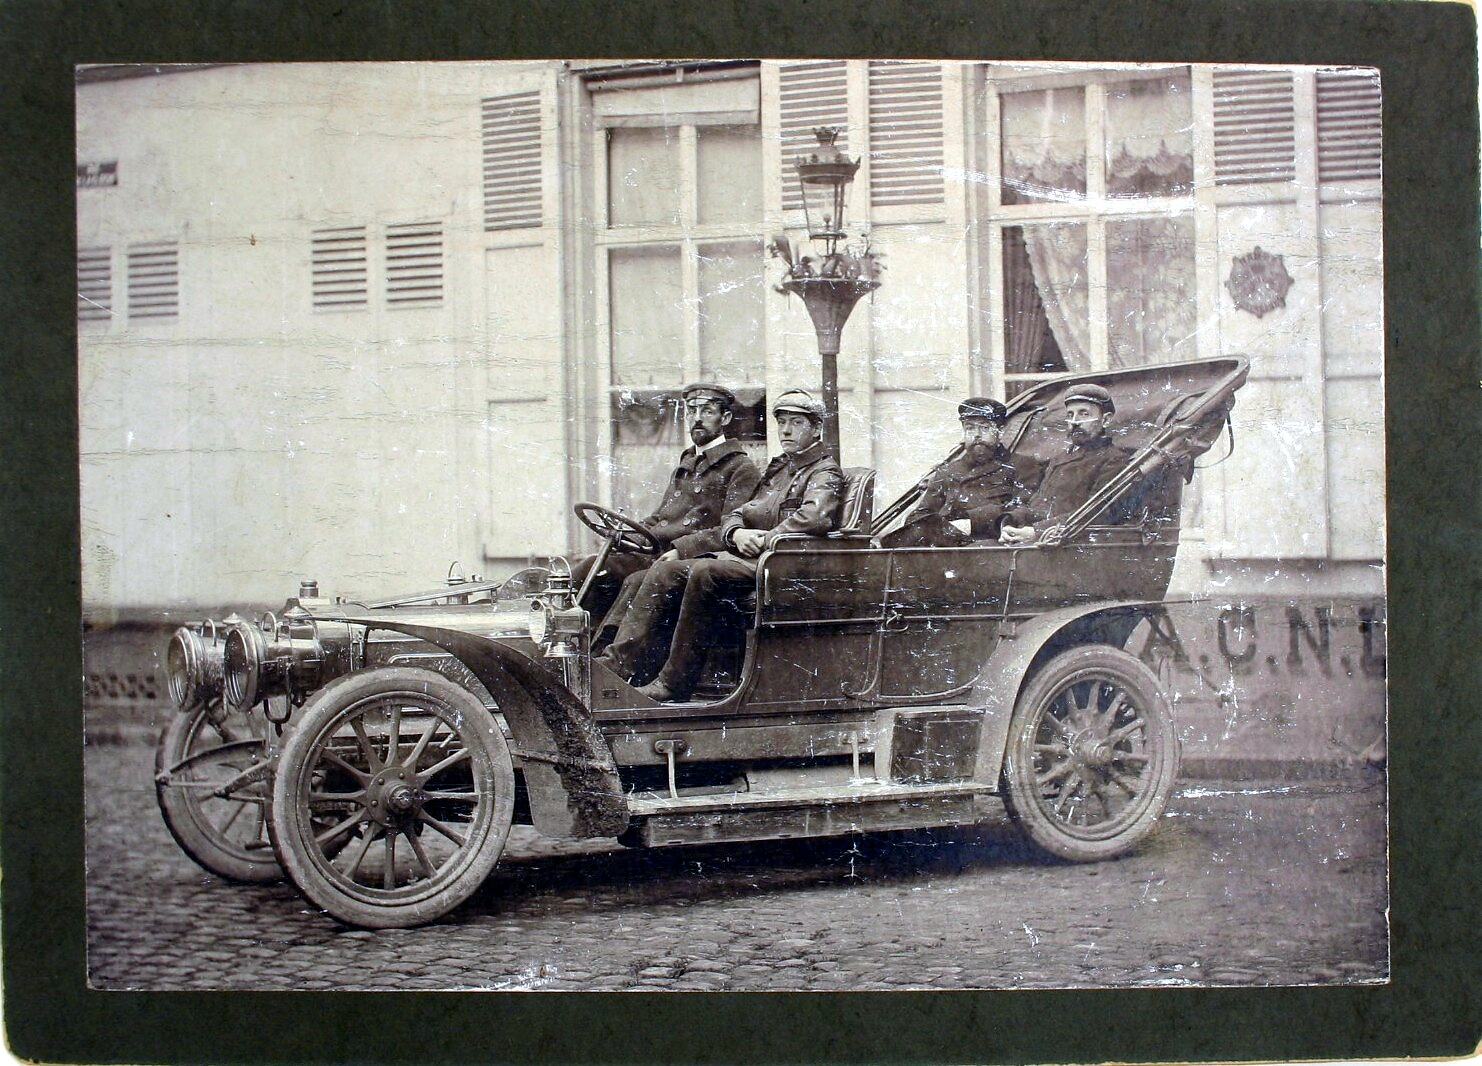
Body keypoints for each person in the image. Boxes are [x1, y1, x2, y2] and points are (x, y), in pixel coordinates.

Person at [596, 389, 844, 702]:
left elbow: (814, 517)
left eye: (796, 423)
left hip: (785, 565)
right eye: (782, 423)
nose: (786, 430)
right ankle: (615, 666)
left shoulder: (824, 471)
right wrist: (736, 532)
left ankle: (675, 683)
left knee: (705, 572)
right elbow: (743, 511)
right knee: (667, 572)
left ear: (816, 428)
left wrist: (764, 538)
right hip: (756, 558)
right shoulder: (781, 469)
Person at [570, 383, 759, 622]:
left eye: (707, 411)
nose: (697, 419)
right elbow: (661, 517)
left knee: (634, 581)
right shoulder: (689, 461)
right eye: (691, 411)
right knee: (594, 567)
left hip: (691, 558)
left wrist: (681, 550)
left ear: (726, 418)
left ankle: (607, 652)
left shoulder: (740, 468)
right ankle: (561, 637)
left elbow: (729, 529)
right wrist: (625, 535)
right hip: (657, 553)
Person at [882, 396, 1028, 548]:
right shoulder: (947, 471)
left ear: (1001, 431)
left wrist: (971, 522)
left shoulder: (1021, 466)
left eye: (985, 427)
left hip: (985, 547)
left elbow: (1024, 511)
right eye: (970, 428)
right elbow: (919, 516)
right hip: (943, 547)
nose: (976, 435)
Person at [999, 383, 1130, 546]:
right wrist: (1010, 520)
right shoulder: (1059, 458)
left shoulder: (1114, 460)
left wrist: (1037, 532)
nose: (1075, 422)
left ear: (1106, 420)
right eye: (1070, 414)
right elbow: (1038, 503)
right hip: (1040, 540)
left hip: (1070, 545)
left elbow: (1097, 513)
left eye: (1084, 413)